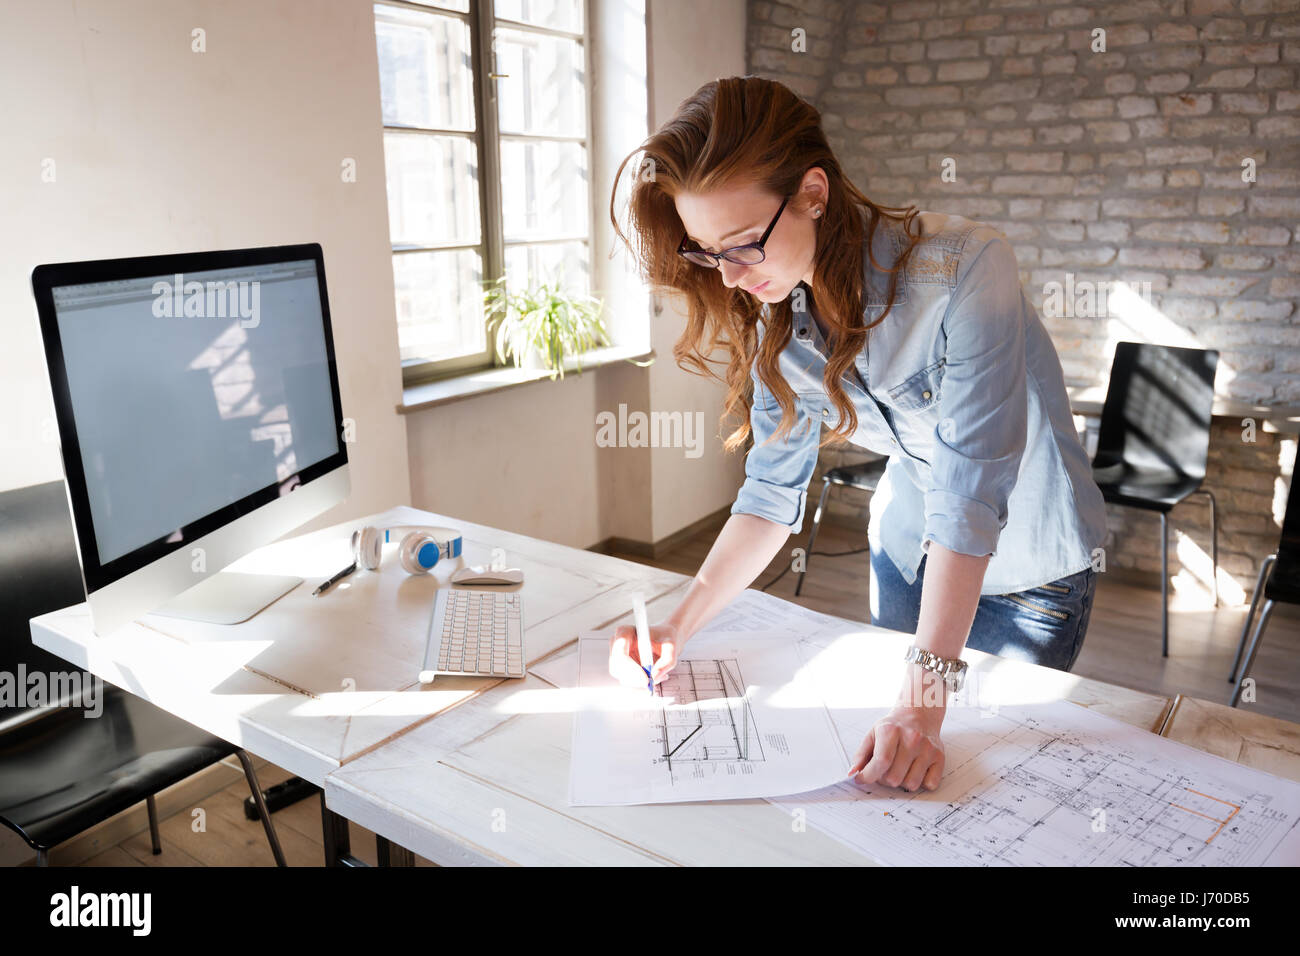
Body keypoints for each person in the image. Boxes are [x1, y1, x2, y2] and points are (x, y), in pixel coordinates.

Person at [606, 75, 1107, 793]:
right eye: (708, 252)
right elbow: (769, 495)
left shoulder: (967, 267)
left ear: (813, 192)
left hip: (1029, 566)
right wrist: (677, 626)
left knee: (981, 779)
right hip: (906, 550)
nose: (729, 278)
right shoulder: (776, 309)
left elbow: (970, 493)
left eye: (743, 245)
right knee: (888, 784)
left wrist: (921, 704)